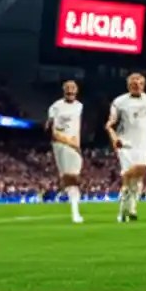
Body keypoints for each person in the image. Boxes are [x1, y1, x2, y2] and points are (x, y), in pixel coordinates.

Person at [105, 73, 146, 223]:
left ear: (144, 85)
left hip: (144, 143)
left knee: (137, 178)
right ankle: (123, 210)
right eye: (133, 84)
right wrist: (114, 138)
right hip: (125, 144)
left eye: (139, 84)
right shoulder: (119, 102)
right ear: (128, 85)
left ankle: (132, 208)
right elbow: (110, 124)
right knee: (127, 175)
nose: (136, 86)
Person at [47, 80, 85, 224]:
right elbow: (51, 129)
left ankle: (75, 211)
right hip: (61, 143)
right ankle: (75, 212)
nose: (70, 90)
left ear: (77, 90)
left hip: (72, 145)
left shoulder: (79, 106)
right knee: (69, 178)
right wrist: (66, 140)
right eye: (68, 88)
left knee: (71, 178)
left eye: (73, 88)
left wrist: (77, 145)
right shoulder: (56, 106)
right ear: (63, 90)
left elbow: (78, 126)